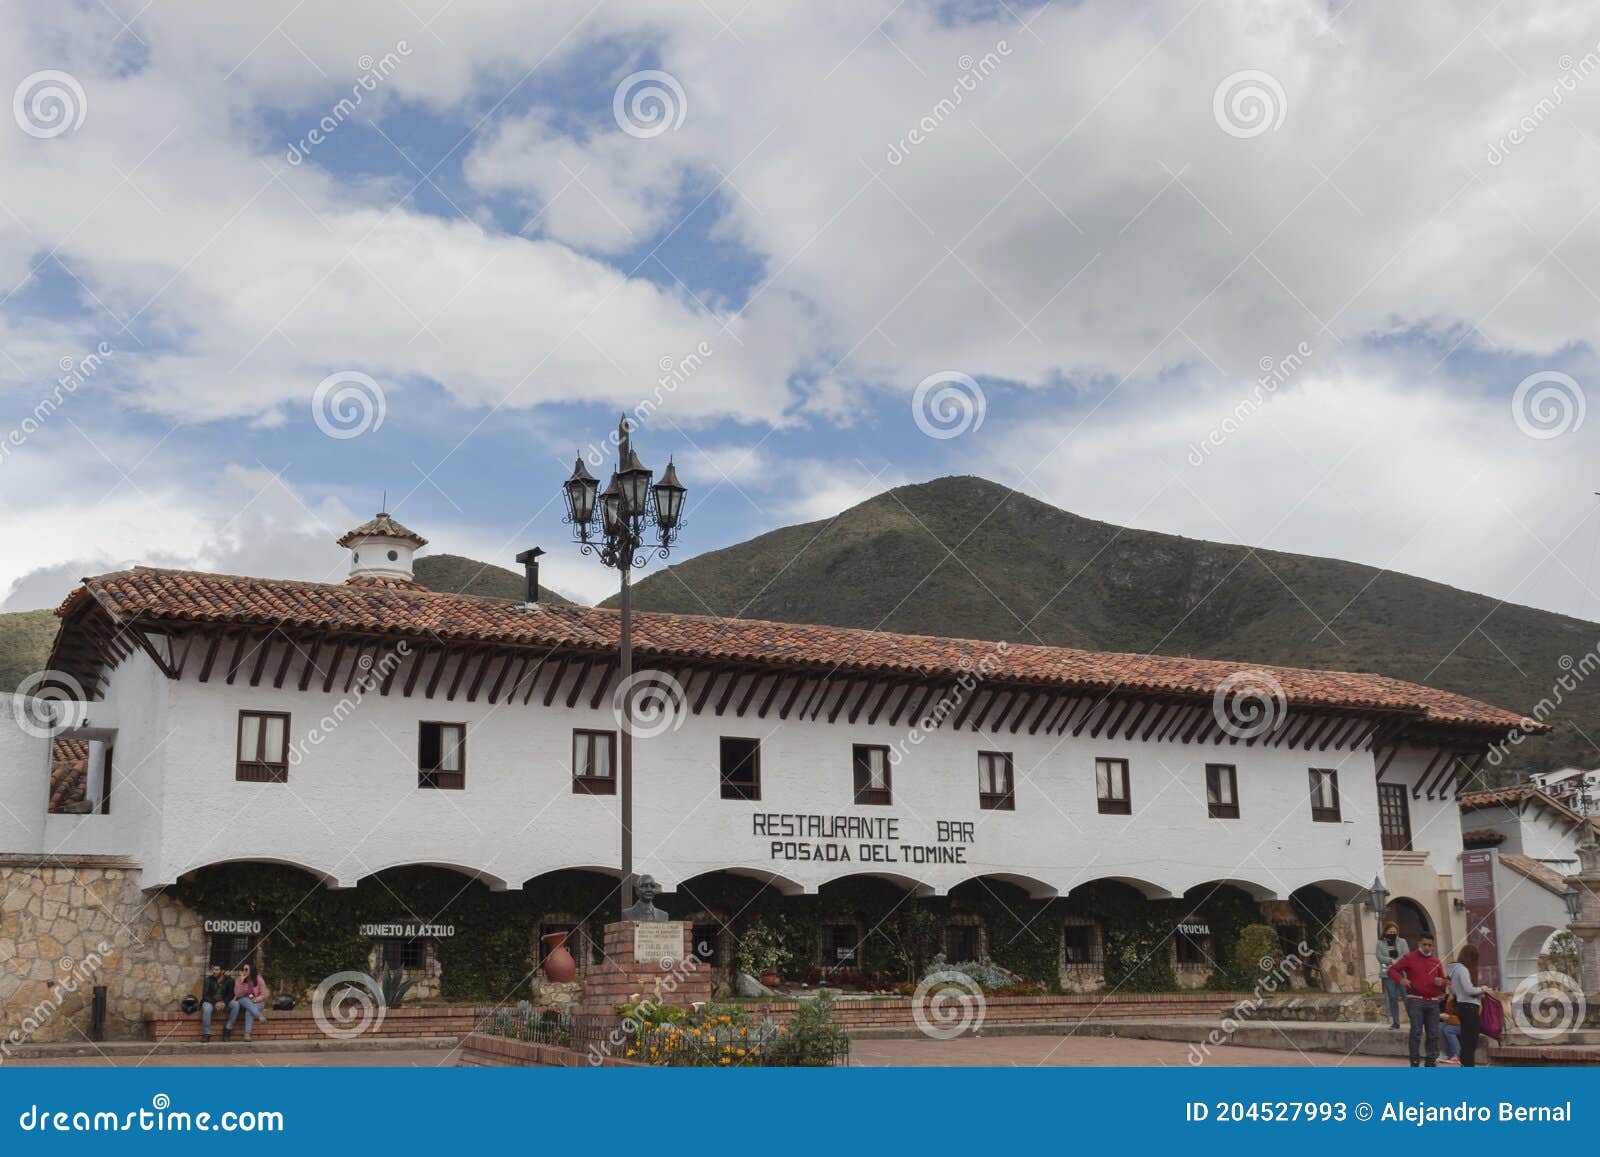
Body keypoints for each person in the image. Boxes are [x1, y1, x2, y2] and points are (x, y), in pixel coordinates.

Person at [1387, 933, 1448, 1067]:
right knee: (1416, 1032)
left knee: (1433, 1034)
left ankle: (1431, 1063)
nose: (1427, 947)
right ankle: (1414, 1062)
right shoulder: (1409, 958)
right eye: (1424, 944)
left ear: (1433, 946)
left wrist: (1442, 982)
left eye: (1430, 945)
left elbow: (1444, 980)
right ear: (1419, 944)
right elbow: (1392, 970)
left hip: (1433, 1002)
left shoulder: (1436, 962)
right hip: (1415, 1001)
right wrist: (1401, 980)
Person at [1446, 942, 1500, 1067]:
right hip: (1470, 1008)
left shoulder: (1454, 970)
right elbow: (1468, 989)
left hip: (1461, 1006)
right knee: (1471, 1042)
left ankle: (1464, 1066)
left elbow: (1455, 990)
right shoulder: (1463, 970)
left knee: (1465, 1042)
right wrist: (1483, 989)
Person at [1375, 922, 1409, 1029]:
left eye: (1394, 932)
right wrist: (1390, 961)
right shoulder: (1380, 943)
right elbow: (1379, 956)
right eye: (1390, 932)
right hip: (1387, 974)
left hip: (1400, 973)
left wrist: (1396, 963)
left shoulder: (1402, 941)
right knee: (1392, 997)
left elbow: (1406, 954)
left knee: (1406, 996)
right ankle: (1396, 1022)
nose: (1392, 933)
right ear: (1385, 932)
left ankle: (1414, 1019)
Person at [227, 962, 269, 1042]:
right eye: (243, 969)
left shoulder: (259, 979)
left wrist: (255, 1000)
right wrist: (242, 982)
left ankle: (247, 1034)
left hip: (256, 1003)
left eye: (246, 969)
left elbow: (263, 994)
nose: (244, 971)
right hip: (243, 1002)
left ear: (251, 970)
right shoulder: (239, 979)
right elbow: (237, 994)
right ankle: (259, 1015)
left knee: (249, 1012)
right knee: (244, 999)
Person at [197, 964, 234, 1043]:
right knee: (206, 1008)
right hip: (210, 1002)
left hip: (223, 1003)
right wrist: (215, 1003)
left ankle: (227, 1029)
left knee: (236, 1005)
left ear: (222, 971)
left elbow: (231, 995)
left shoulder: (229, 980)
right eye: (213, 969)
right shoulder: (208, 980)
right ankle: (206, 1034)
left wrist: (224, 1002)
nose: (214, 971)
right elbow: (205, 995)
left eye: (217, 970)